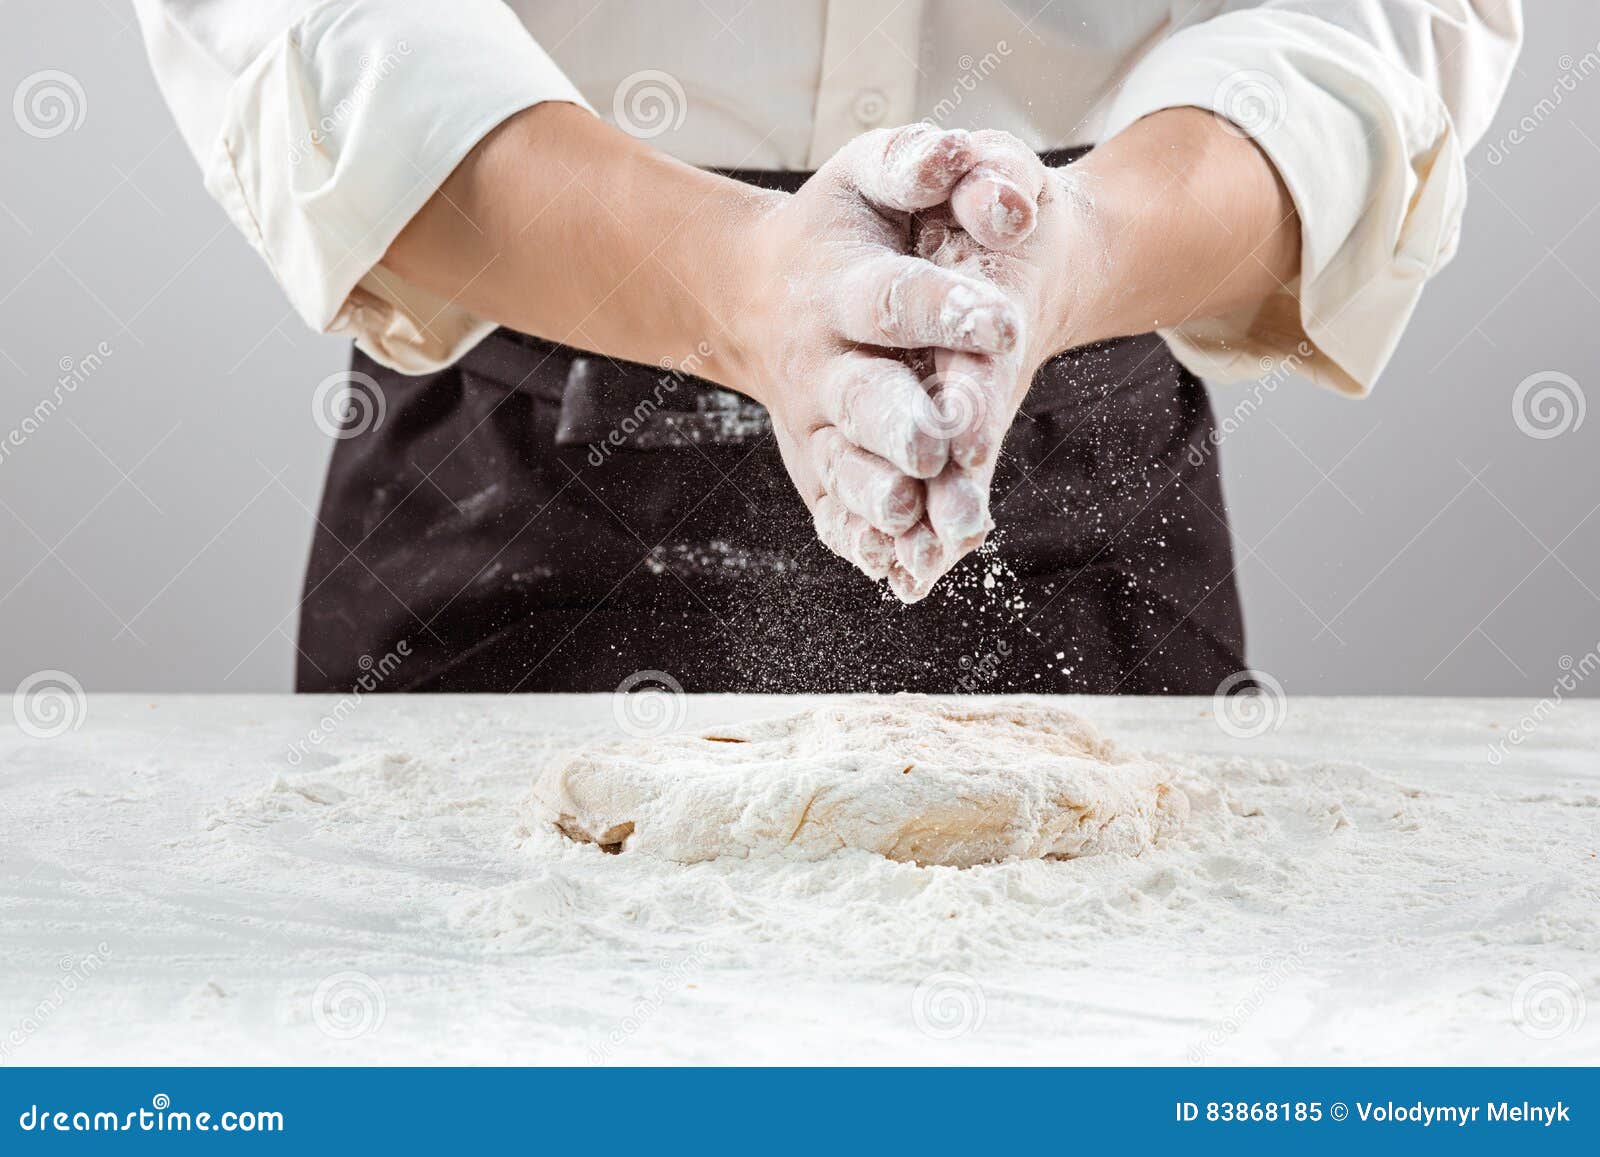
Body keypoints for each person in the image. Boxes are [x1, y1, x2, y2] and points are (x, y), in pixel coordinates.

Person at [132, 1, 1522, 694]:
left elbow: (1380, 21)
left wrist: (1081, 243)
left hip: (1079, 424)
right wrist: (731, 277)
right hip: (519, 450)